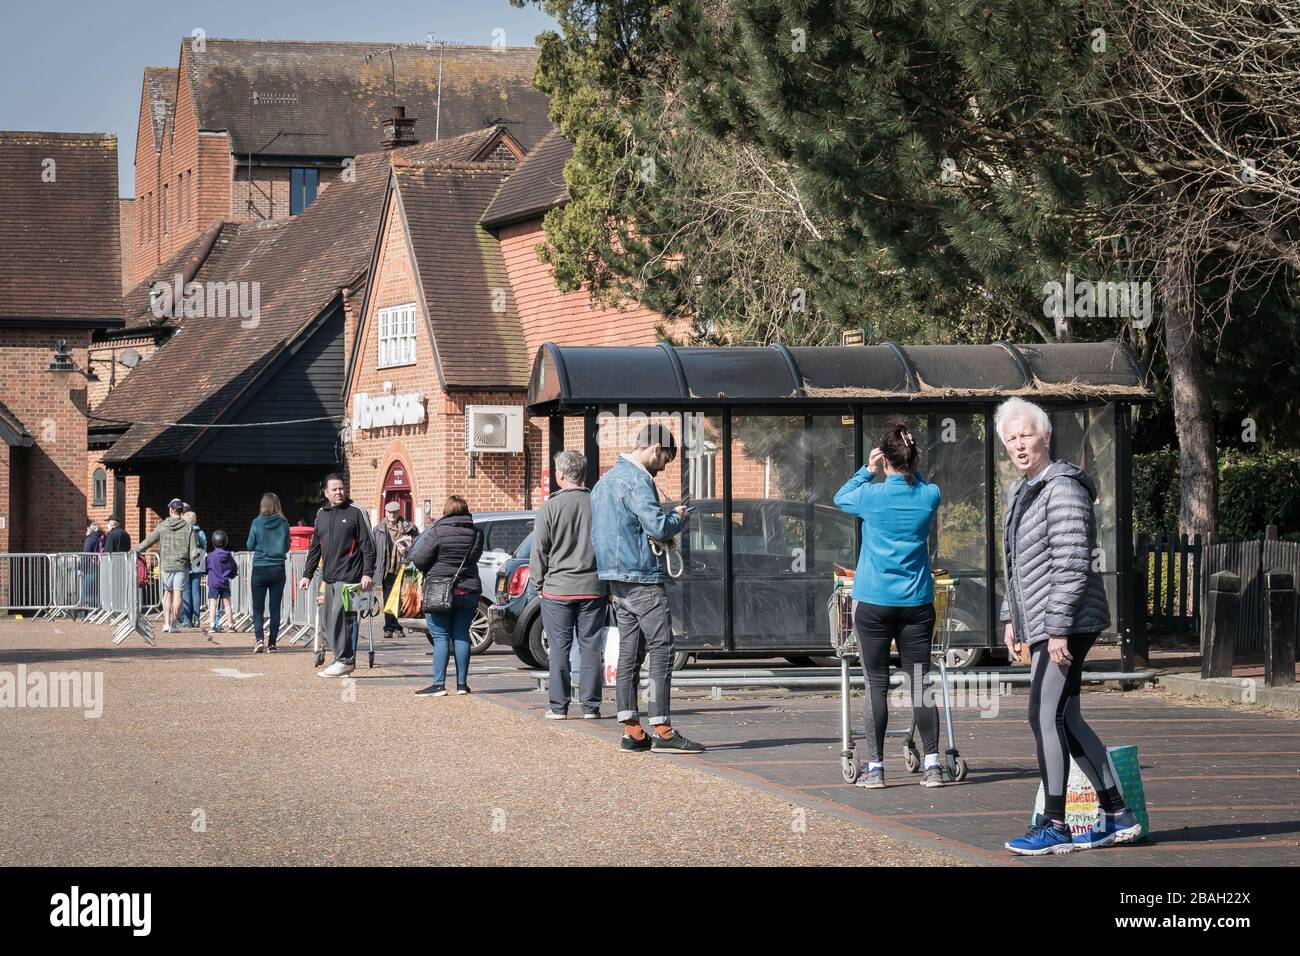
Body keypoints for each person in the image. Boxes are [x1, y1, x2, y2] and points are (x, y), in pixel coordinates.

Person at [996, 397, 1143, 855]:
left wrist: (1056, 628)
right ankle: (1119, 815)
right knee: (1067, 717)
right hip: (1044, 621)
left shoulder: (1061, 488)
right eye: (1011, 438)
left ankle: (1055, 824)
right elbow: (1021, 565)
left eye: (1026, 435)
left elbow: (1073, 563)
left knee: (1044, 715)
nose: (1019, 445)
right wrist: (1010, 616)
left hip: (1068, 622)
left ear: (1045, 435)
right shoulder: (1026, 489)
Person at [834, 422, 943, 789]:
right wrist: (913, 466)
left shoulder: (871, 496)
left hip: (874, 603)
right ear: (915, 458)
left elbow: (840, 496)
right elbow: (925, 485)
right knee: (920, 684)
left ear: (885, 458)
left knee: (875, 684)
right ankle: (932, 766)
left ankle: (876, 769)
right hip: (917, 603)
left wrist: (868, 468)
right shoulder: (929, 496)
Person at [590, 424, 701, 754]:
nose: (664, 466)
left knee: (630, 650)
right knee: (663, 647)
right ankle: (663, 727)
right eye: (665, 459)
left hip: (614, 578)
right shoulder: (639, 480)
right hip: (642, 577)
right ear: (656, 449)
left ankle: (631, 728)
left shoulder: (604, 482)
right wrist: (678, 518)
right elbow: (657, 526)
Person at [532, 450, 606, 720]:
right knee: (590, 648)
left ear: (561, 474)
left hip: (558, 589)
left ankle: (559, 706)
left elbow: (539, 549)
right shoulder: (596, 503)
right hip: (593, 586)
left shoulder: (550, 507)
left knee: (559, 649)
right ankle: (590, 707)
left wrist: (539, 583)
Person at [299, 474, 374, 678]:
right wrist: (307, 574)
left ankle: (345, 660)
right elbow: (315, 547)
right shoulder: (321, 513)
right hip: (329, 576)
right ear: (325, 493)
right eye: (334, 489)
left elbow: (368, 545)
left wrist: (368, 573)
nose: (339, 492)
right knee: (328, 619)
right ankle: (342, 657)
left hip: (350, 575)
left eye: (341, 488)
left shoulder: (356, 511)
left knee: (341, 617)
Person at [409, 495, 483, 696]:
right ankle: (461, 685)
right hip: (468, 589)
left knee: (441, 637)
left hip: (439, 589)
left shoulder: (438, 531)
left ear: (446, 511)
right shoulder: (477, 533)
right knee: (461, 634)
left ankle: (439, 684)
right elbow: (475, 557)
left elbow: (419, 558)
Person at [135, 498, 200, 633]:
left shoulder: (163, 526)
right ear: (182, 511)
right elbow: (194, 551)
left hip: (166, 565)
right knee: (178, 594)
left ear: (171, 510)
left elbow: (148, 541)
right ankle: (173, 624)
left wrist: (134, 550)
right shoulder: (189, 528)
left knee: (167, 592)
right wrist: (196, 565)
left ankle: (166, 623)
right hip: (182, 565)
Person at [247, 492, 290, 653]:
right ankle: (272, 643)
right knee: (274, 608)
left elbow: (250, 545)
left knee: (258, 608)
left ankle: (259, 639)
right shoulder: (284, 523)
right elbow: (286, 547)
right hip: (278, 568)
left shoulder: (256, 523)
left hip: (260, 568)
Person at [372, 501, 416, 639]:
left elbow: (418, 546)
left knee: (401, 599)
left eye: (395, 512)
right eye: (389, 512)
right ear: (385, 512)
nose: (392, 515)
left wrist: (407, 550)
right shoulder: (378, 529)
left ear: (399, 513)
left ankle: (399, 627)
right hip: (386, 569)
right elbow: (373, 550)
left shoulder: (410, 528)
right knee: (388, 599)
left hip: (403, 568)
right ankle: (388, 627)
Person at [205, 530, 238, 638]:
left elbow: (205, 567)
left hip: (213, 582)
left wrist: (206, 572)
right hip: (224, 582)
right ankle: (231, 625)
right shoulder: (228, 555)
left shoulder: (210, 556)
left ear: (213, 542)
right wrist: (232, 575)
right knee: (227, 604)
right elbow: (233, 567)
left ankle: (212, 625)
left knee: (212, 604)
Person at [180, 510, 208, 628]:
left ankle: (187, 620)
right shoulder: (200, 532)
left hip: (186, 562)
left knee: (186, 591)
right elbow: (205, 546)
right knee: (196, 592)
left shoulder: (184, 532)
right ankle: (197, 618)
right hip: (198, 561)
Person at [81, 521, 102, 616]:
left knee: (88, 590)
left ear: (91, 529)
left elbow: (86, 554)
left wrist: (82, 569)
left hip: (89, 568)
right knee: (95, 591)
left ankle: (90, 612)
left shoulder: (90, 539)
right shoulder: (101, 538)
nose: (86, 530)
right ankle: (94, 611)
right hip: (98, 567)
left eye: (87, 528)